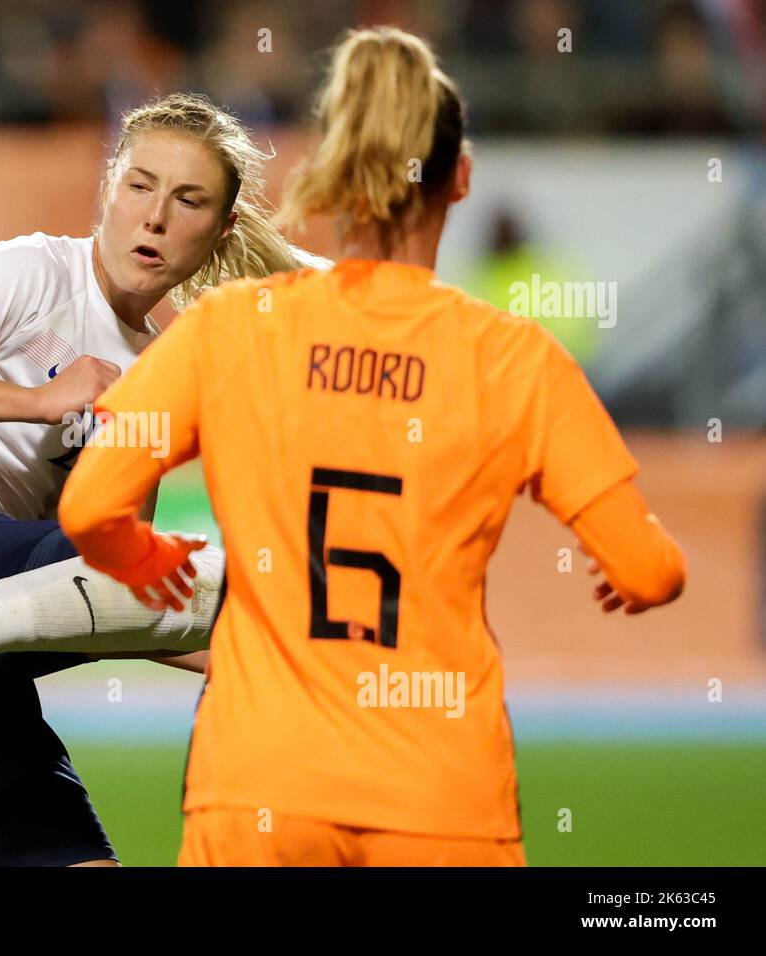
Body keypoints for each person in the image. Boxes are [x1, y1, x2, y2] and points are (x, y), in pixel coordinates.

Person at [58, 27, 687, 867]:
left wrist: (140, 555)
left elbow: (90, 505)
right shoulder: (512, 358)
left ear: (333, 170)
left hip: (259, 784)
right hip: (440, 797)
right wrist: (637, 576)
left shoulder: (233, 328)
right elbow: (650, 570)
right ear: (460, 178)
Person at [0, 93, 316, 865]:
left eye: (187, 201)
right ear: (107, 190)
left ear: (218, 234)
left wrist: (251, 656)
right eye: (139, 185)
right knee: (274, 596)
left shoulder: (160, 371)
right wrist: (35, 400)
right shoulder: (33, 273)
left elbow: (110, 596)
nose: (153, 217)